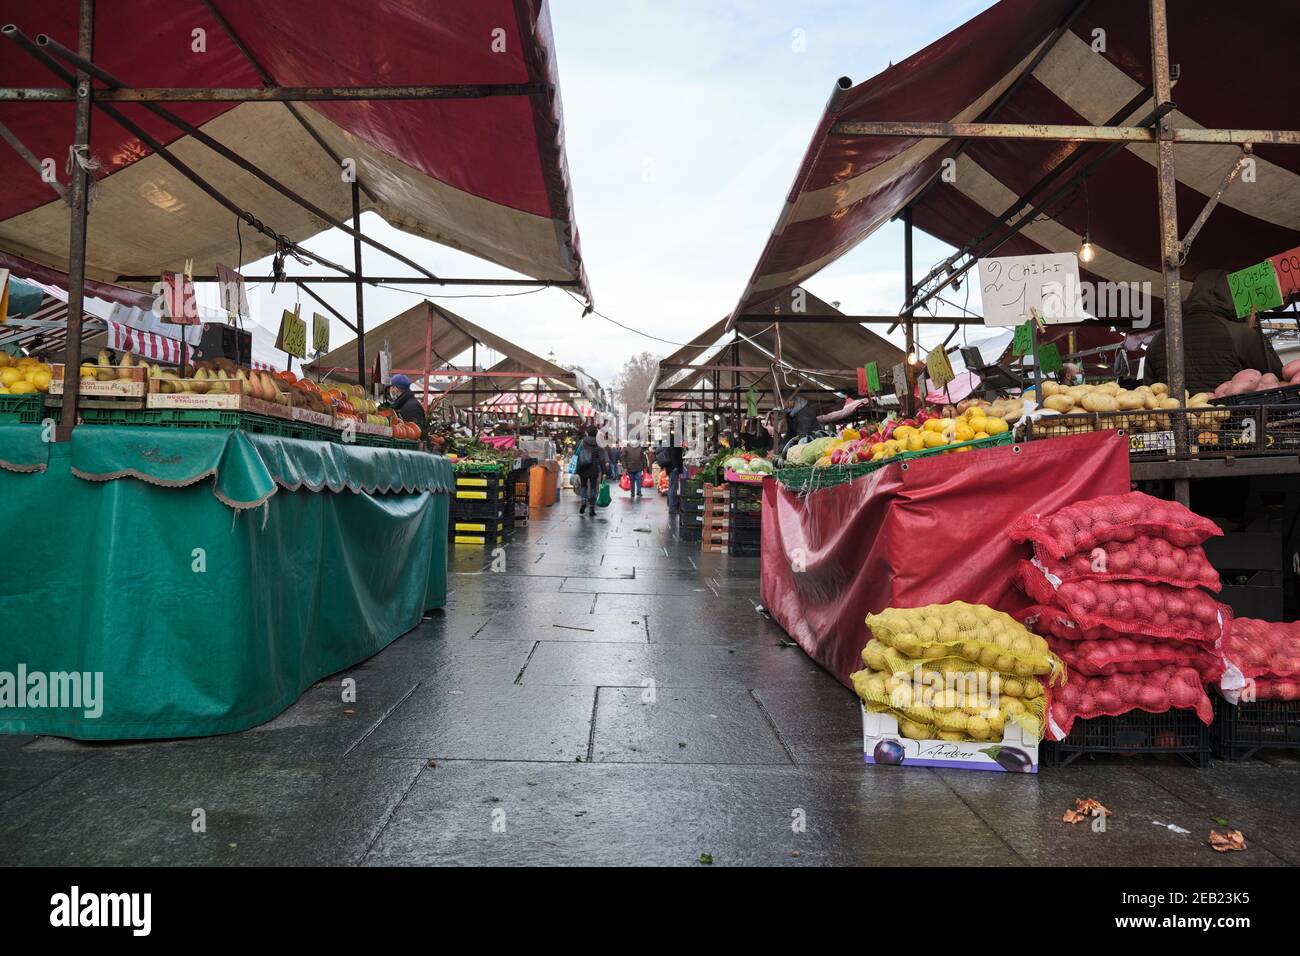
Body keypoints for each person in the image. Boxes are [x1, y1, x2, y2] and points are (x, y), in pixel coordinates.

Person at [1143, 268, 1284, 393]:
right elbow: (1274, 377)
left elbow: (1151, 391)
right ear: (1232, 297)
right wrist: (1252, 328)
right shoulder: (1242, 334)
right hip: (1230, 419)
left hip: (1173, 420)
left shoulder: (1159, 338)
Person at [574, 426, 608, 516]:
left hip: (583, 467)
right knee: (593, 488)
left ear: (587, 433)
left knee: (583, 486)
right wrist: (604, 472)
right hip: (594, 469)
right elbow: (601, 459)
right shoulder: (599, 444)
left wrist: (573, 468)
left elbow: (576, 455)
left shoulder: (581, 442)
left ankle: (584, 502)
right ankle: (592, 507)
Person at [656, 438, 685, 514]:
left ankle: (670, 505)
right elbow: (677, 456)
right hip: (674, 467)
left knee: (671, 486)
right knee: (673, 488)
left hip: (670, 467)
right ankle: (672, 508)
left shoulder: (668, 442)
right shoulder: (674, 443)